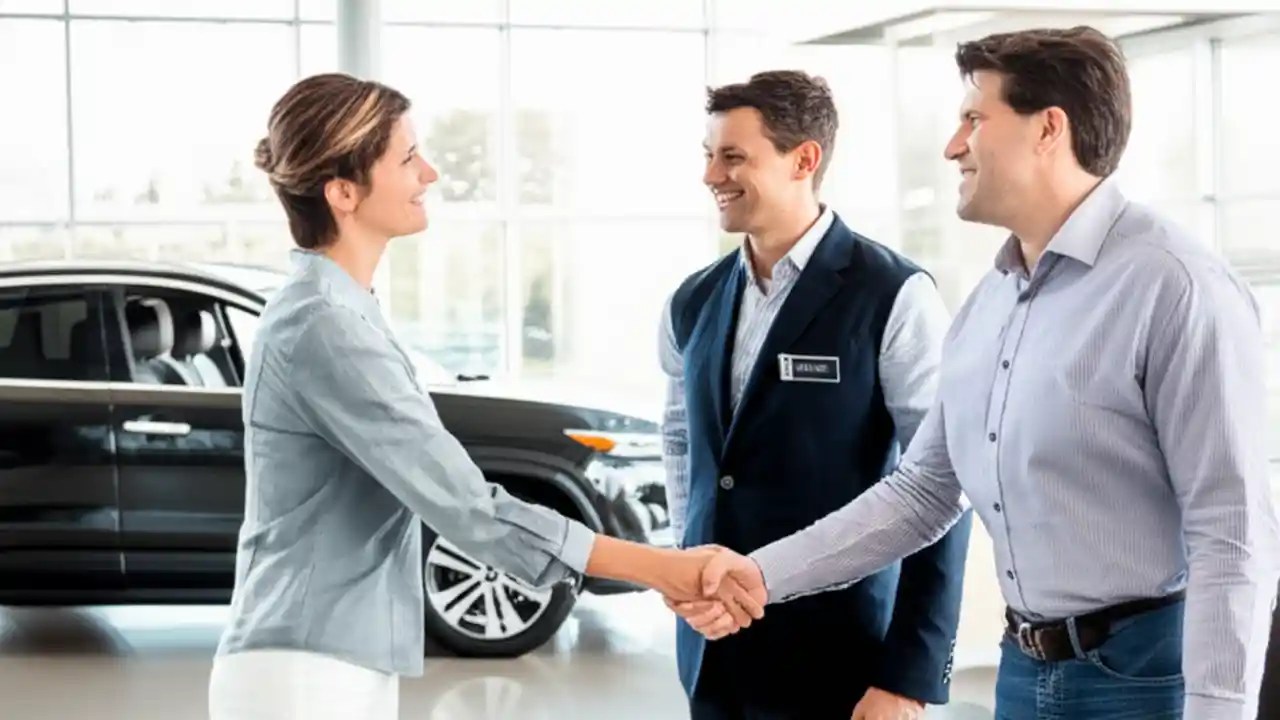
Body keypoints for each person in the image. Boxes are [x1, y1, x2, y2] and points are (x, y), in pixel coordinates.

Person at [687, 27, 1280, 720]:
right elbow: (925, 492)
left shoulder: (1174, 286)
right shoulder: (991, 299)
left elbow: (1232, 528)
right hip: (1025, 669)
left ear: (1048, 129)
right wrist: (761, 573)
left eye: (974, 117)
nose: (952, 144)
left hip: (1145, 678)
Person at [207, 73, 763, 720]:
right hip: (305, 676)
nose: (431, 173)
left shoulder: (338, 310)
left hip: (332, 660)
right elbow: (468, 508)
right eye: (408, 158)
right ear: (343, 192)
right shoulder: (324, 327)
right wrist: (667, 568)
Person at [659, 69, 973, 720]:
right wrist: (684, 564)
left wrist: (908, 676)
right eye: (709, 155)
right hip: (714, 648)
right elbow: (682, 442)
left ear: (804, 159)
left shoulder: (892, 294)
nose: (711, 175)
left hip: (844, 652)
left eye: (733, 156)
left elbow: (946, 486)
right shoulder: (692, 300)